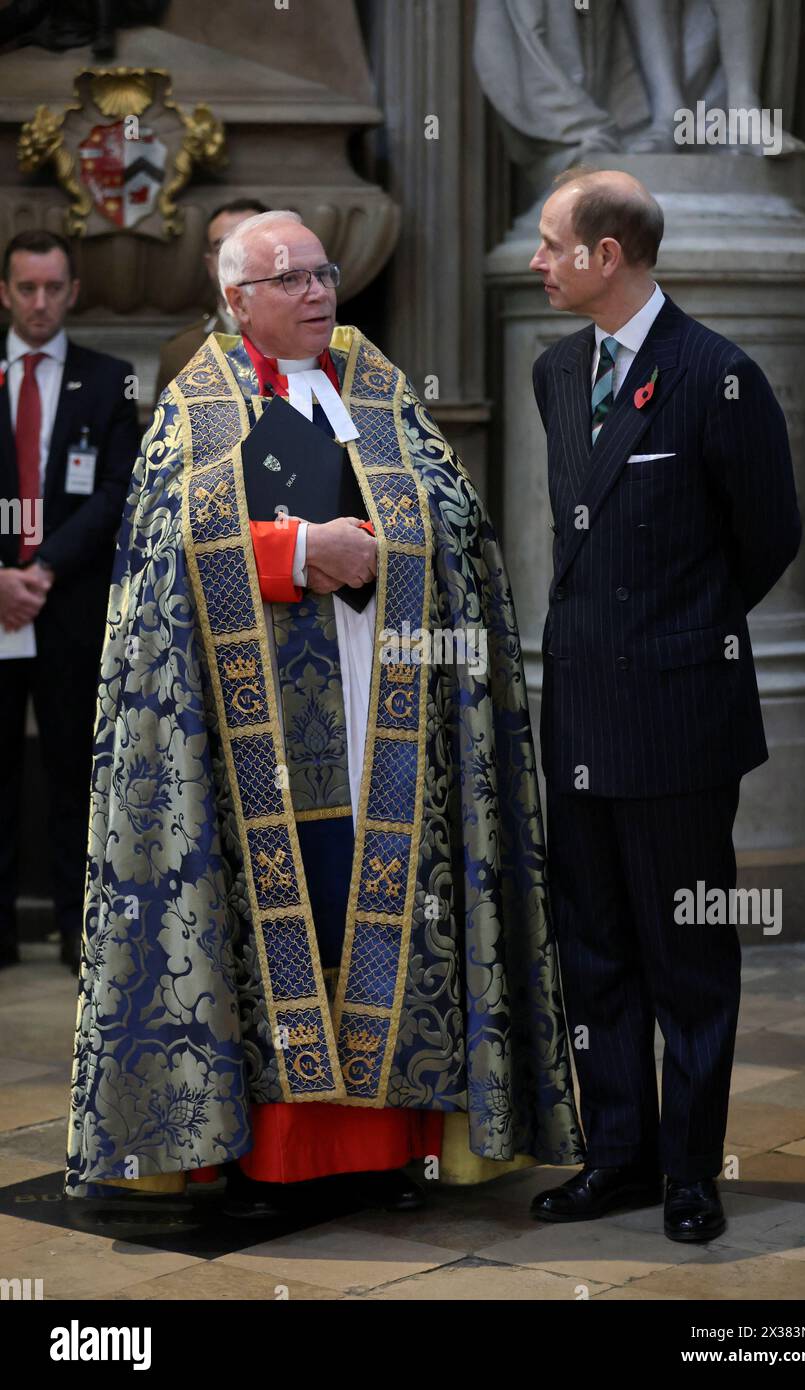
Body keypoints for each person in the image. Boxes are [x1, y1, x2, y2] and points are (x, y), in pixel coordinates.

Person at [65, 209, 581, 1217]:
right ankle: (269, 1160)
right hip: (248, 738)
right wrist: (297, 553)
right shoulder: (197, 409)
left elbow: (459, 524)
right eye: (290, 278)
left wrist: (390, 544)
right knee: (277, 934)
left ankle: (399, 1147)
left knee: (389, 915)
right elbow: (159, 559)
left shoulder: (381, 391)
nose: (316, 292)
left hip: (388, 713)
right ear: (238, 299)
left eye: (323, 272)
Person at [528, 169, 801, 1242]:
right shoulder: (557, 371)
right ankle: (618, 1158)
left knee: (686, 959)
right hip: (581, 709)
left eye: (553, 246)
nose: (539, 263)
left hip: (679, 718)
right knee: (592, 953)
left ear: (608, 256)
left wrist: (680, 635)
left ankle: (691, 1173)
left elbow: (768, 532)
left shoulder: (715, 374)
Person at [0, 229, 140, 971]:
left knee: (74, 771)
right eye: (27, 288)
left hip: (70, 604)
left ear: (74, 291)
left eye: (54, 288)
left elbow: (119, 491)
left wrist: (42, 567)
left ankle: (75, 932)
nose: (41, 302)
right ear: (5, 292)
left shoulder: (108, 377)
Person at [154, 198, 269, 398]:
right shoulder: (182, 352)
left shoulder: (322, 341)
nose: (235, 257)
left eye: (250, 243)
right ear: (210, 264)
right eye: (223, 247)